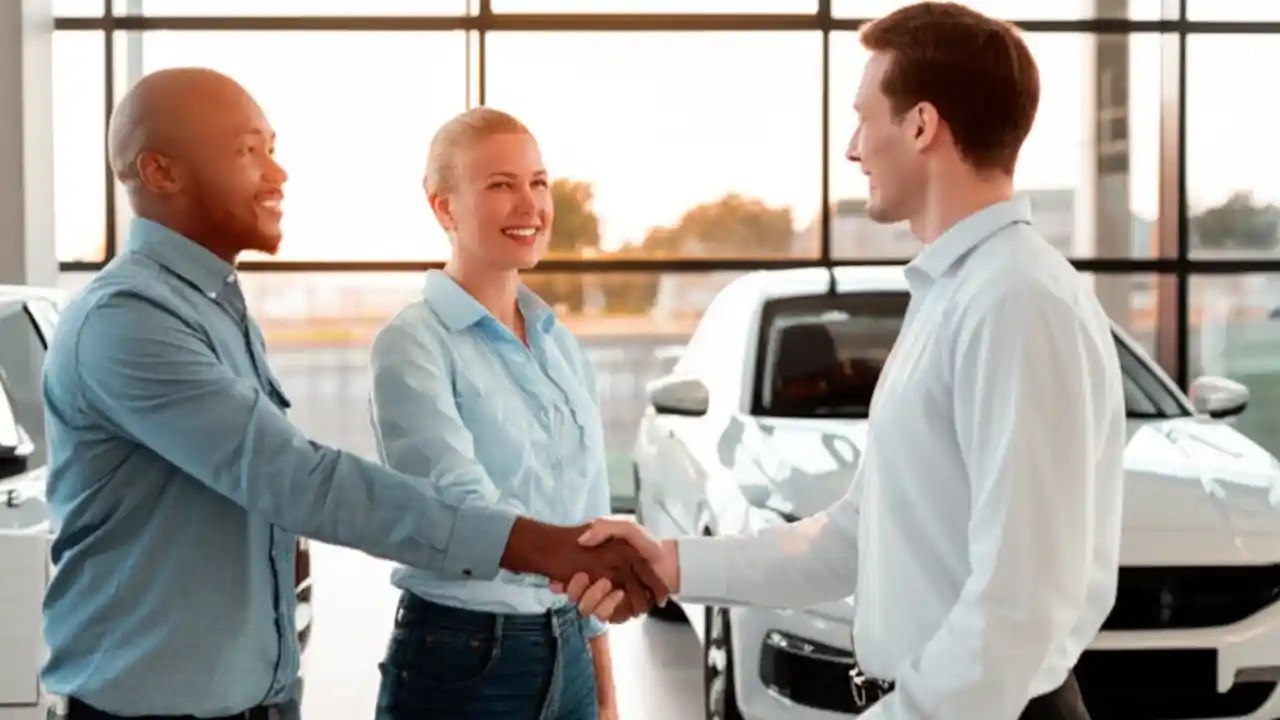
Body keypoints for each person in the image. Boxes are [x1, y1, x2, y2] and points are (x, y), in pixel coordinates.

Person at [39, 68, 664, 720]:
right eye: (249, 151)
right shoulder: (131, 321)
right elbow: (300, 481)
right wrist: (552, 548)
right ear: (163, 172)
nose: (278, 175)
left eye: (272, 149)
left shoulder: (215, 307)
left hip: (258, 702)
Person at [558, 3, 1125, 719]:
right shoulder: (953, 292)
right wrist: (673, 562)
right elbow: (860, 534)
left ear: (921, 125)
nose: (853, 148)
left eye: (864, 118)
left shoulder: (1014, 300)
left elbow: (1018, 606)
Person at [366, 107, 622, 720]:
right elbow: (461, 507)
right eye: (500, 185)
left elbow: (588, 514)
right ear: (444, 208)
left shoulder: (557, 341)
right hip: (464, 657)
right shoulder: (414, 343)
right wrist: (579, 563)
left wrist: (604, 686)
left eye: (537, 182)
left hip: (568, 647)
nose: (529, 204)